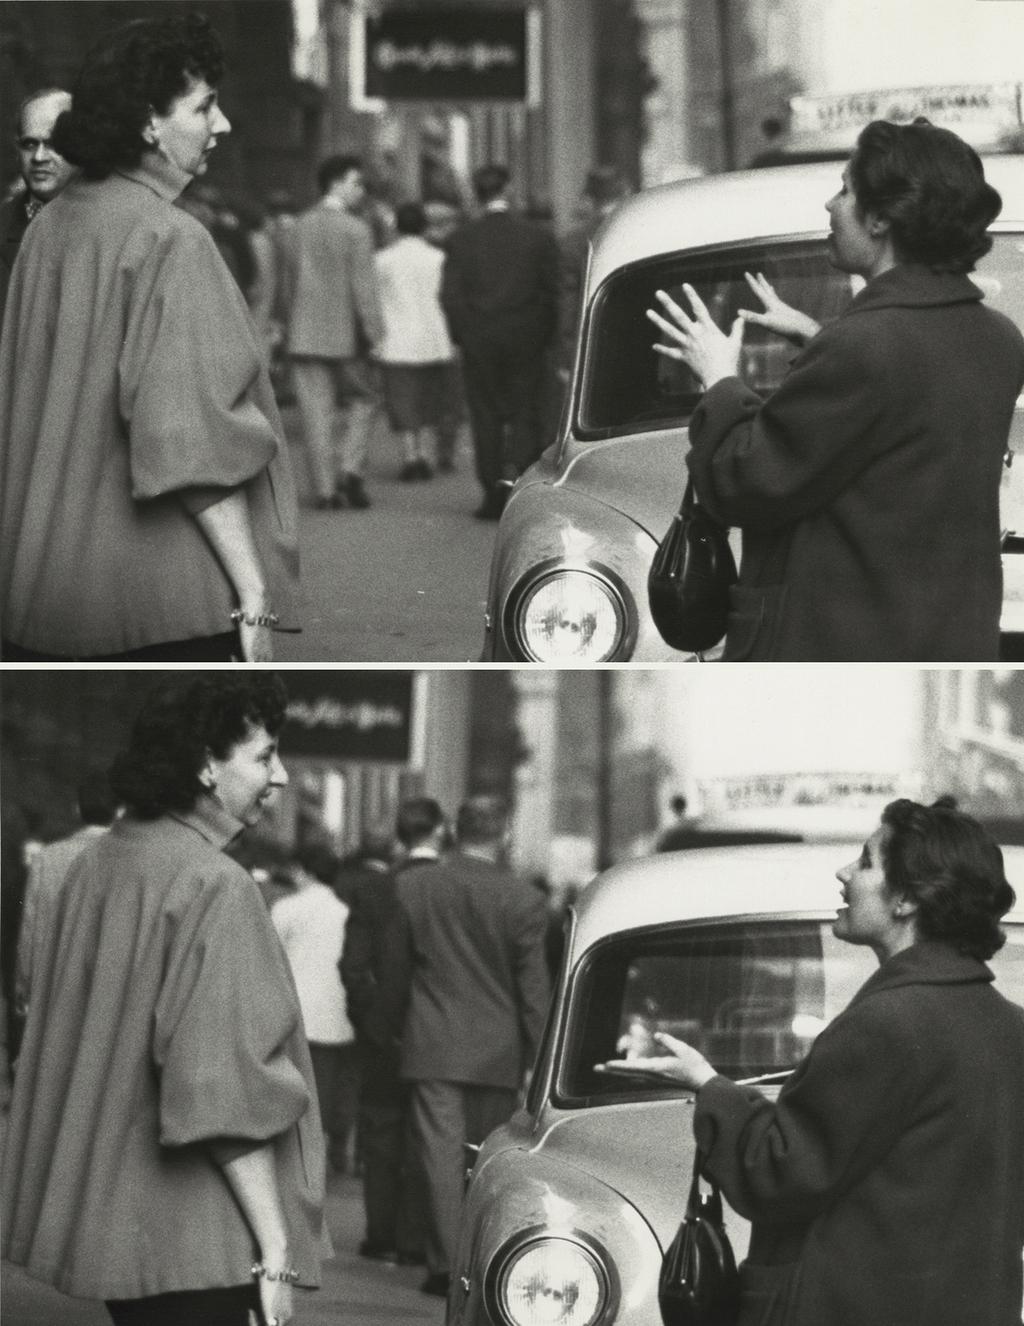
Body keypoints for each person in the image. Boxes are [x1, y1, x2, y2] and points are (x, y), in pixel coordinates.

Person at [608, 797, 1024, 1326]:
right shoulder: (1012, 1026)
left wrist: (711, 1087)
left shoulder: (887, 1023)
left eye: (867, 861)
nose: (844, 871)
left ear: (907, 901)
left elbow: (781, 1173)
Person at [1, 674, 328, 1326]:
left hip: (124, 1229)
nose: (282, 775)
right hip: (202, 1235)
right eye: (264, 756)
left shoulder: (99, 863)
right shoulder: (215, 884)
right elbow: (222, 1091)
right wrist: (274, 1250)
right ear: (207, 766)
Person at [648, 117, 1024, 661]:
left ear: (879, 220)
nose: (830, 204)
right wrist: (818, 336)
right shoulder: (998, 338)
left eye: (845, 189)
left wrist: (719, 378)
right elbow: (909, 405)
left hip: (835, 641)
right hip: (947, 637)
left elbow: (743, 484)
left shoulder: (863, 346)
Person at [0, 14, 300, 662]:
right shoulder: (170, 238)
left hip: (37, 590)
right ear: (148, 124)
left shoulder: (47, 230)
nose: (220, 125)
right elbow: (189, 442)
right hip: (157, 600)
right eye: (204, 107)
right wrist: (254, 596)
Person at [395, 794, 552, 1296]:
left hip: (434, 1040)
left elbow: (398, 971)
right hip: (498, 1049)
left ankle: (446, 1264)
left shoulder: (415, 887)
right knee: (487, 1160)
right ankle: (483, 1262)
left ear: (454, 832)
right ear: (503, 833)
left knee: (438, 1158)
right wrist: (542, 1055)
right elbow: (534, 990)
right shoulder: (524, 900)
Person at [339, 802, 439, 1266]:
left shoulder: (378, 890)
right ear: (441, 831)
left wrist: (372, 1021)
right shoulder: (448, 886)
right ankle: (416, 1238)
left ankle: (380, 1234)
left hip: (383, 1036)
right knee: (429, 1139)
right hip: (438, 1034)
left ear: (400, 836)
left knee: (380, 1137)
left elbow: (353, 965)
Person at [441, 164, 559, 519]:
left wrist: (463, 334)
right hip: (525, 333)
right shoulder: (537, 236)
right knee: (525, 408)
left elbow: (451, 295)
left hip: (480, 336)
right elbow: (550, 291)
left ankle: (491, 488)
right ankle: (519, 480)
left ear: (477, 194)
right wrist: (545, 334)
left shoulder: (461, 238)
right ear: (507, 190)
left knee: (485, 412)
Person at [282, 153, 384, 511]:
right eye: (357, 182)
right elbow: (364, 290)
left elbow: (288, 284)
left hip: (304, 333)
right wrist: (376, 333)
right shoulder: (357, 230)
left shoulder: (297, 226)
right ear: (337, 182)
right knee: (366, 400)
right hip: (347, 337)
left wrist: (286, 325)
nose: (361, 190)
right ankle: (350, 468)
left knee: (315, 413)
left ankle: (324, 491)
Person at [271, 842, 358, 1177]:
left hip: (295, 1011)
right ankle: (329, 1152)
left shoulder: (285, 908)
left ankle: (298, 1158)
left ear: (303, 871)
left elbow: (270, 954)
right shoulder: (345, 911)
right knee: (331, 1090)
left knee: (296, 1089)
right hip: (336, 1014)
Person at [14, 779, 120, 1022]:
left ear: (78, 810)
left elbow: (32, 927)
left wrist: (24, 986)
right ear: (119, 810)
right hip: (107, 995)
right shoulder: (130, 859)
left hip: (54, 990)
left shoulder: (48, 859)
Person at [374, 201, 456, 482]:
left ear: (396, 227)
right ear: (424, 226)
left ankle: (411, 455)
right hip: (434, 335)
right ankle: (427, 453)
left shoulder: (382, 259)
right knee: (429, 398)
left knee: (402, 400)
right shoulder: (438, 258)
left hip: (396, 337)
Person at [0, 88, 75, 320]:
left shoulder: (116, 224)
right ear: (16, 149)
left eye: (53, 144)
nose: (40, 157)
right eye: (30, 144)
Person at [557, 165, 628, 378]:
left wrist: (568, 356)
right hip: (636, 337)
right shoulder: (637, 230)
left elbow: (567, 302)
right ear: (624, 191)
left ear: (589, 198)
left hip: (589, 343)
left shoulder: (572, 242)